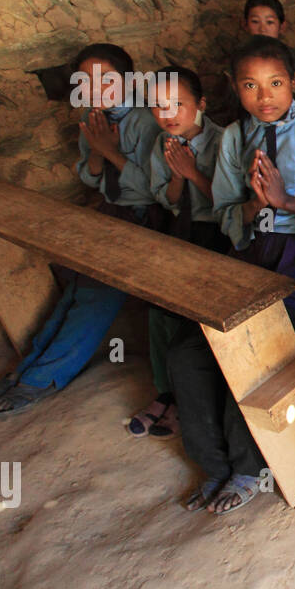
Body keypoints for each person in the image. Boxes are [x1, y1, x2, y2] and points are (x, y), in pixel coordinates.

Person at [169, 35, 295, 514]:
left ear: (294, 83)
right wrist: (257, 204)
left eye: (276, 83)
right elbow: (227, 217)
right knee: (190, 351)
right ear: (236, 90)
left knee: (258, 351)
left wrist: (286, 202)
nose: (265, 97)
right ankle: (212, 464)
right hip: (255, 256)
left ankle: (248, 466)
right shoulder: (235, 138)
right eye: (251, 86)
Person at [0, 43, 161, 416]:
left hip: (149, 220)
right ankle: (25, 371)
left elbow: (152, 188)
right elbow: (90, 178)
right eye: (87, 80)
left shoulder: (147, 119)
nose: (97, 87)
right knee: (76, 286)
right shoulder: (94, 116)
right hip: (112, 211)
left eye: (106, 79)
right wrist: (95, 152)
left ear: (128, 78)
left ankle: (41, 378)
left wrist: (108, 150)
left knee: (96, 294)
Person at [125, 65, 228, 439]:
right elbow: (168, 201)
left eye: (177, 104)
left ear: (200, 103)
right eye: (157, 106)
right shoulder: (160, 144)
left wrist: (194, 174)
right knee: (158, 306)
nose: (166, 114)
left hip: (220, 235)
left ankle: (191, 396)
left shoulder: (223, 141)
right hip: (182, 230)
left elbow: (231, 204)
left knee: (193, 314)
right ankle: (166, 391)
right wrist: (176, 178)